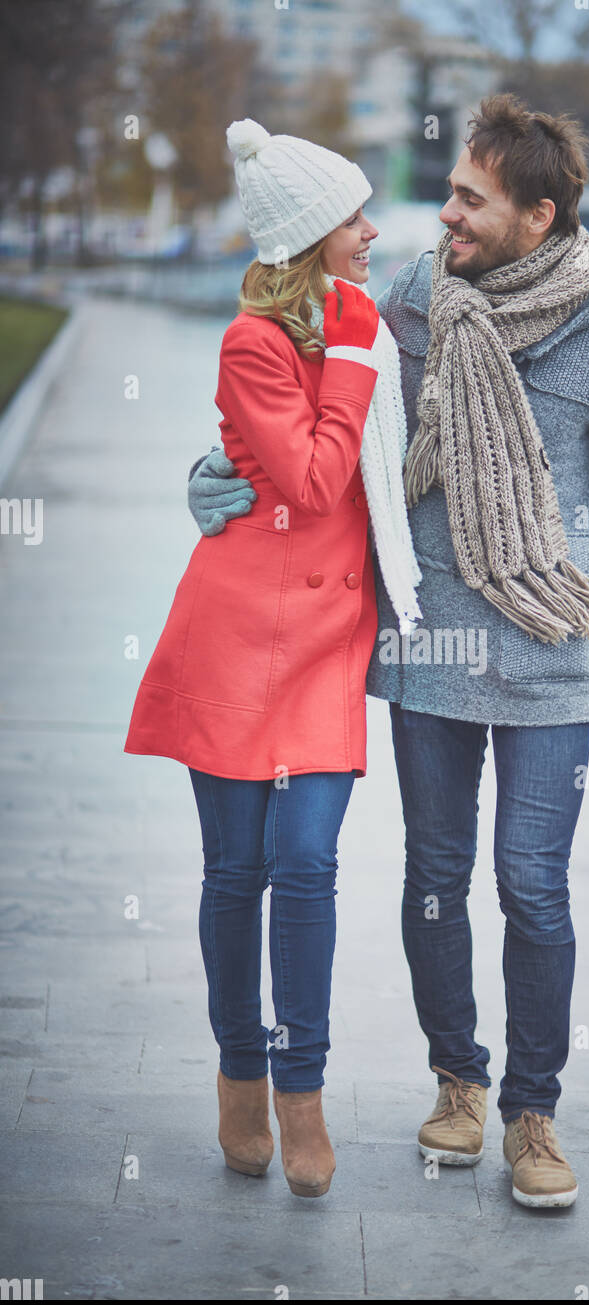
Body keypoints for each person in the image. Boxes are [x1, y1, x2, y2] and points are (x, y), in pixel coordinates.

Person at [189, 95, 589, 1210]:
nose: (442, 214)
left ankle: (532, 1112)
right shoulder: (409, 301)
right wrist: (213, 480)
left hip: (551, 652)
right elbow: (301, 403)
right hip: (428, 646)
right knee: (434, 880)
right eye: (449, 192)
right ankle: (459, 1082)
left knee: (532, 886)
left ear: (537, 215)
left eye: (469, 198)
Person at [125, 118, 420, 1198]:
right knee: (233, 872)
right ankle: (240, 1077)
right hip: (237, 634)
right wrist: (343, 360)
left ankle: (304, 1086)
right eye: (352, 217)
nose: (370, 231)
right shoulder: (257, 342)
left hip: (325, 644)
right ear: (309, 236)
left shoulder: (372, 328)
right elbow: (305, 477)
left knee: (306, 864)